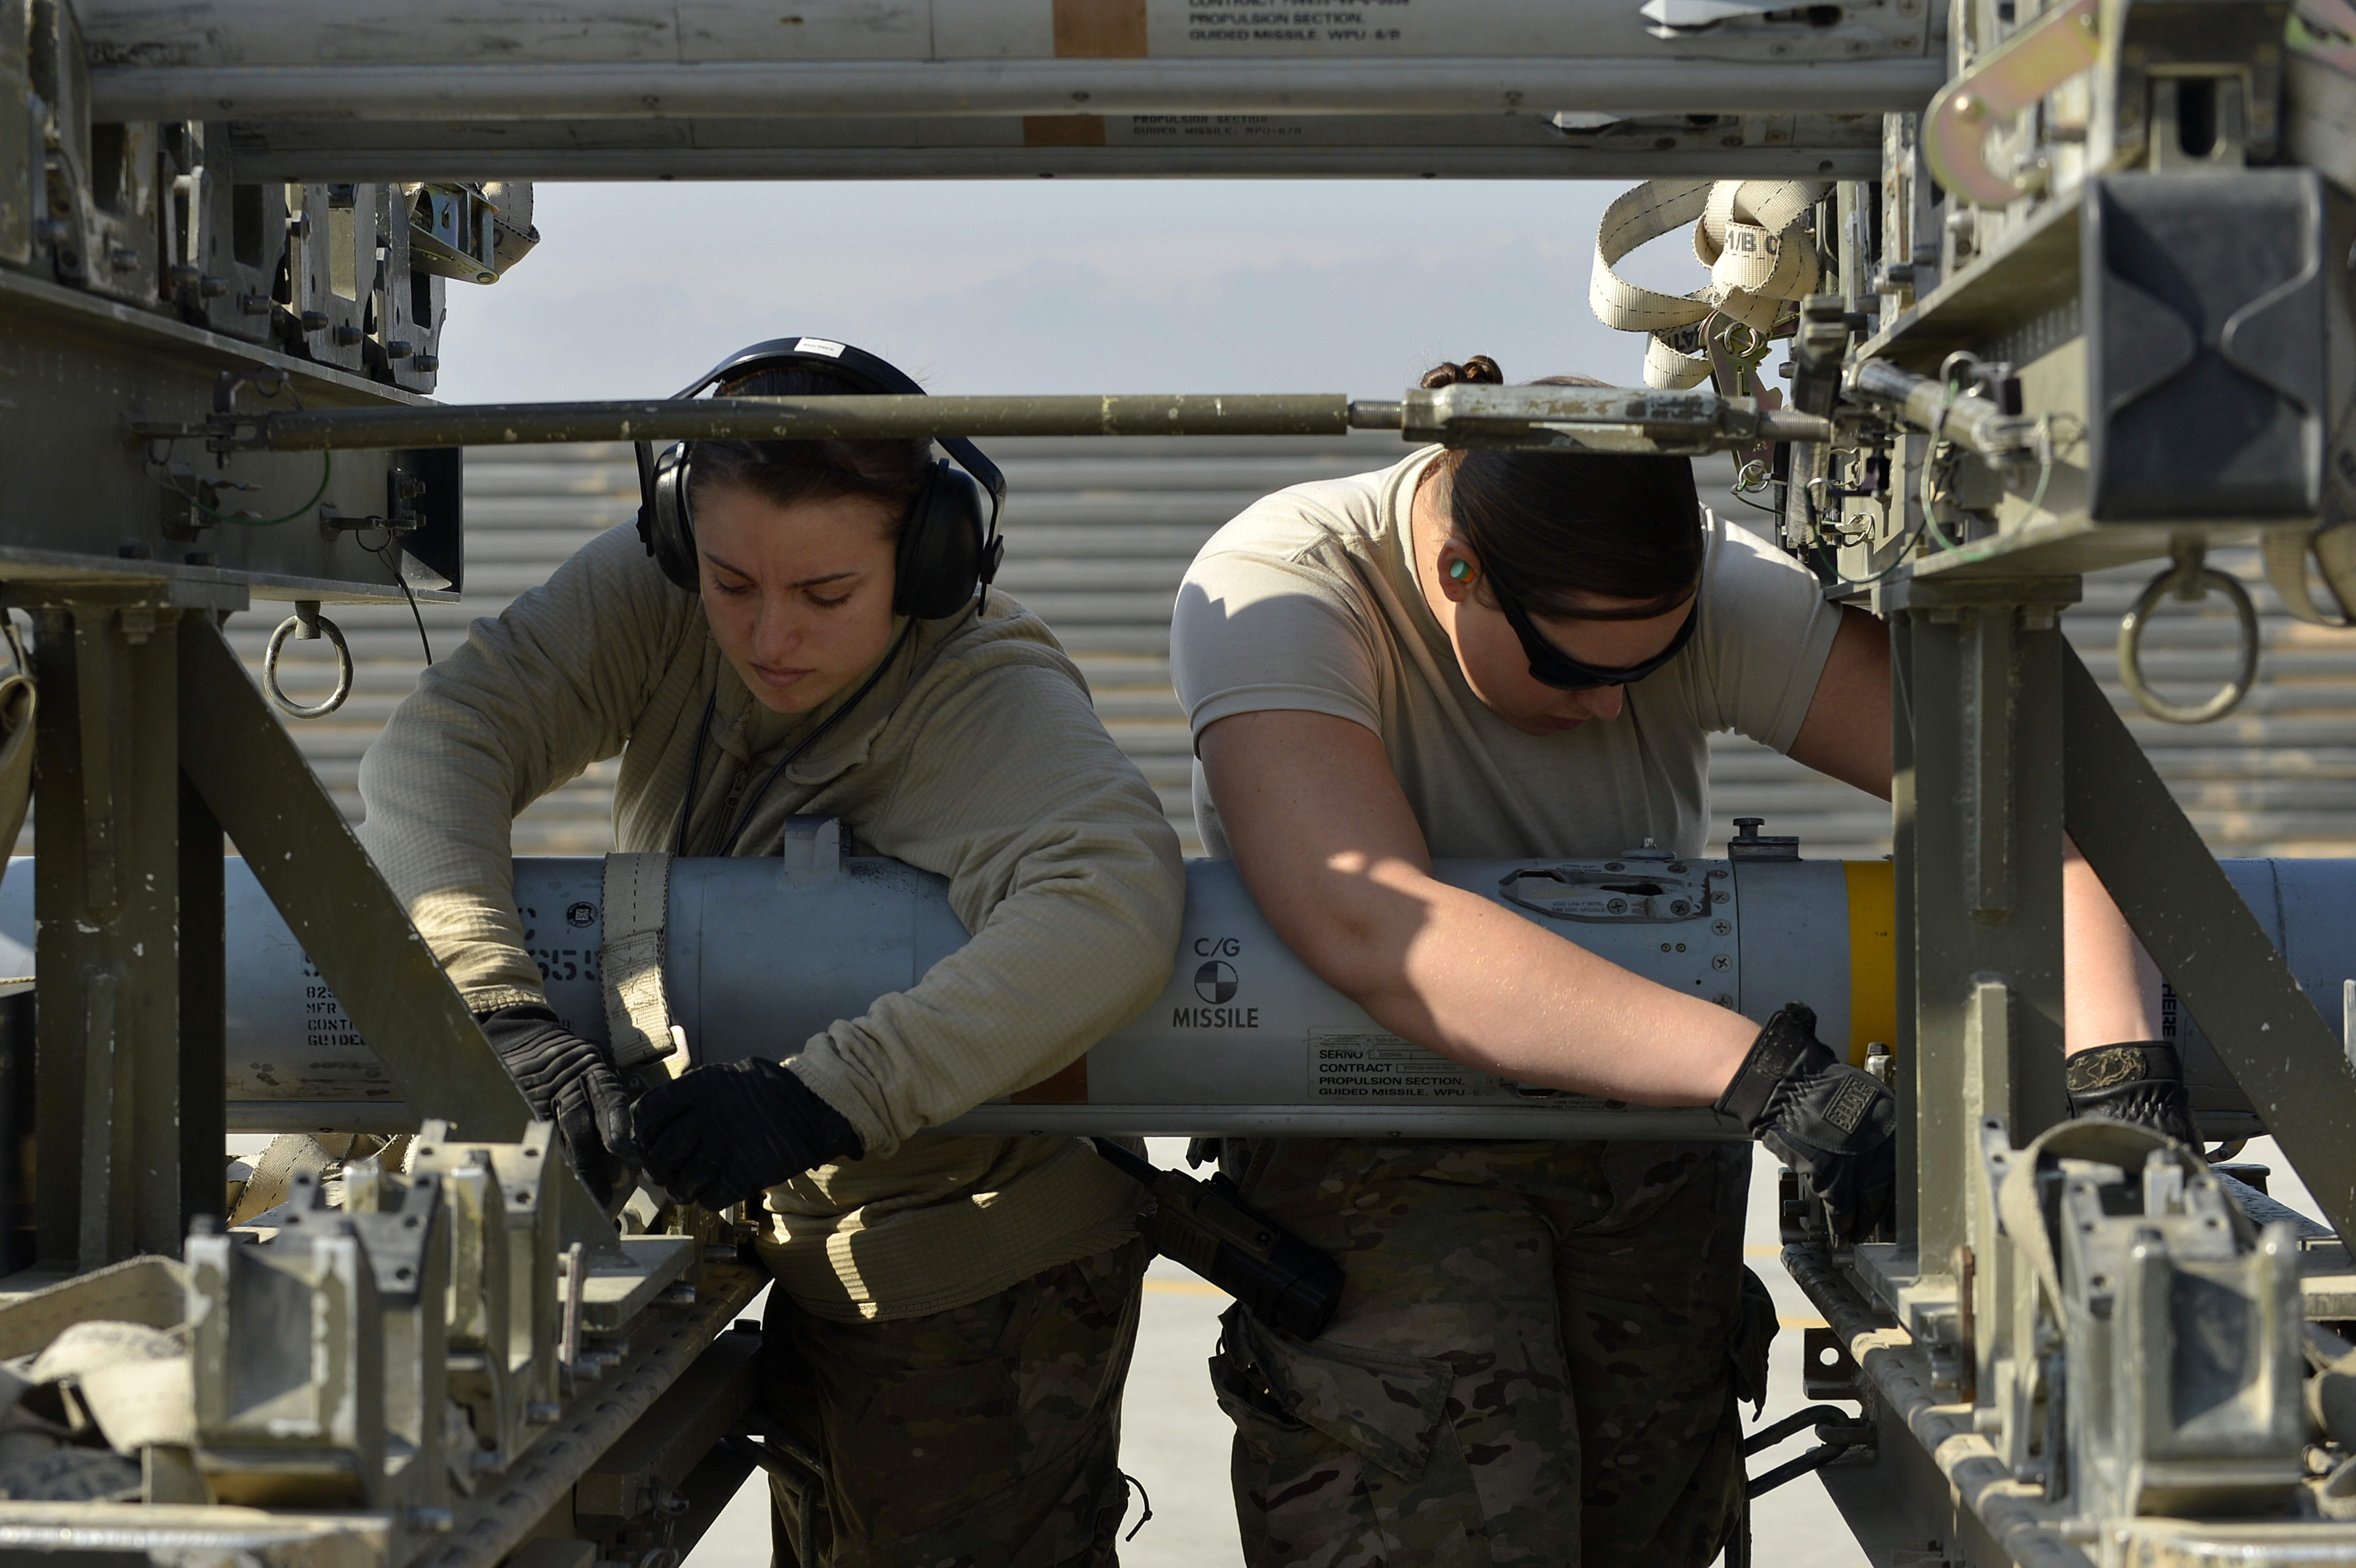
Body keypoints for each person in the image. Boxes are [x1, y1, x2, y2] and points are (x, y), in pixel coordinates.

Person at [1168, 356, 2171, 1565]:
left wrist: (2122, 1077)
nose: (1612, 710)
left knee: (1654, 1521)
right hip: (1380, 1137)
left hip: (1646, 1140)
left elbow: (2011, 793)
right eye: (1578, 673)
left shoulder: (1684, 586)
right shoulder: (1288, 583)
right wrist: (1776, 1085)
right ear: (1454, 574)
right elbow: (1371, 924)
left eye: (1647, 673)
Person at [359, 338, 1186, 1566]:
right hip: (749, 1226)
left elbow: (1113, 901)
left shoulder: (978, 687)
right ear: (678, 533)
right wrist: (496, 1008)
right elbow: (441, 743)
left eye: (825, 597)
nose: (767, 634)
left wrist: (830, 1096)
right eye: (730, 582)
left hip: (964, 1280)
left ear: (932, 563)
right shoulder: (661, 593)